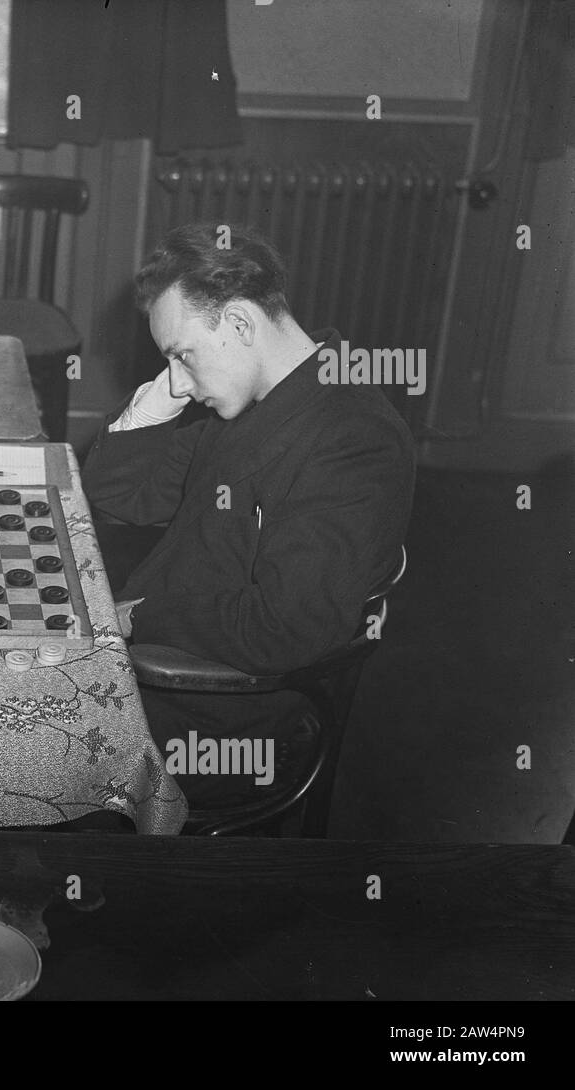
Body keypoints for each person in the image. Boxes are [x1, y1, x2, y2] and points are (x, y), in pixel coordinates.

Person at [82, 223, 414, 806]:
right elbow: (120, 493)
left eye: (184, 356)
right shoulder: (264, 403)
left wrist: (143, 617)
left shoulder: (352, 440)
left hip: (216, 718)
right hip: (160, 673)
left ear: (239, 323)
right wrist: (164, 390)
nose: (181, 381)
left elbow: (287, 629)